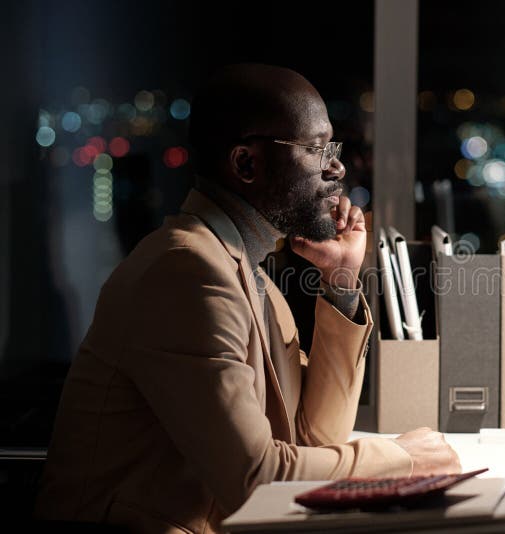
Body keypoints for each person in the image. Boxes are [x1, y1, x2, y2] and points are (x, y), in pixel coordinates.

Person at [34, 63, 460, 533]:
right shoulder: (187, 274)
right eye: (317, 149)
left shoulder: (248, 274)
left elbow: (315, 437)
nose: (337, 167)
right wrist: (402, 458)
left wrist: (340, 280)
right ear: (245, 163)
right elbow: (257, 478)